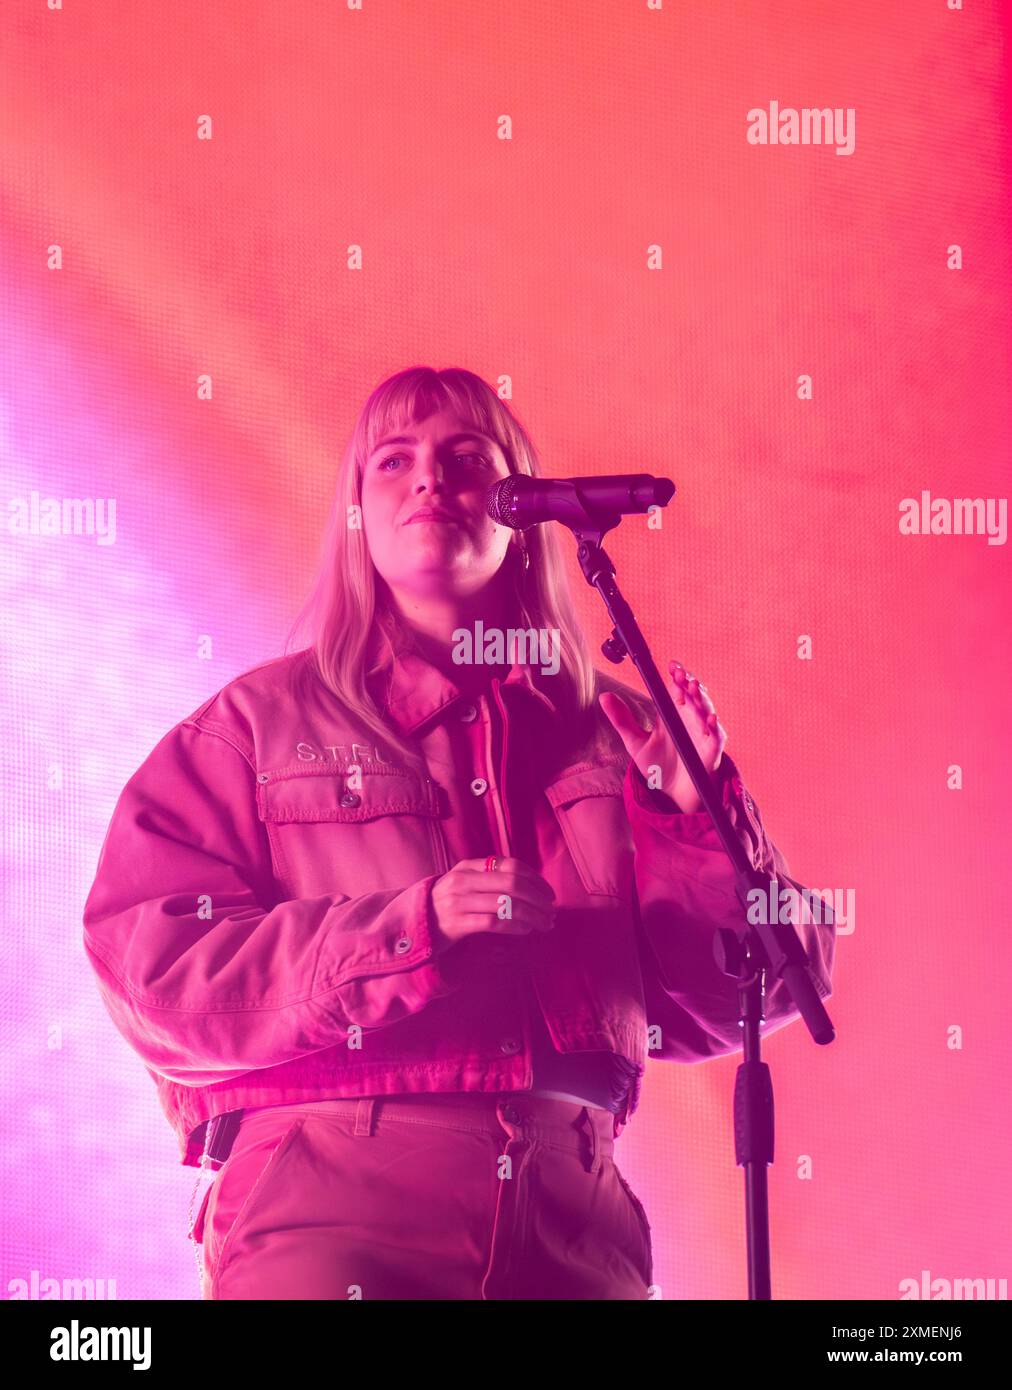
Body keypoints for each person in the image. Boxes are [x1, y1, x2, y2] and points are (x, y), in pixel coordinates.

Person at [82, 366, 835, 1300]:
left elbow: (754, 996)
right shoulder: (250, 732)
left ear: (523, 509)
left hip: (575, 1223)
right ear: (356, 513)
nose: (431, 480)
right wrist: (408, 929)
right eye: (394, 460)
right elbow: (153, 975)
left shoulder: (622, 736)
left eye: (467, 457)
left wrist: (689, 822)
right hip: (336, 1213)